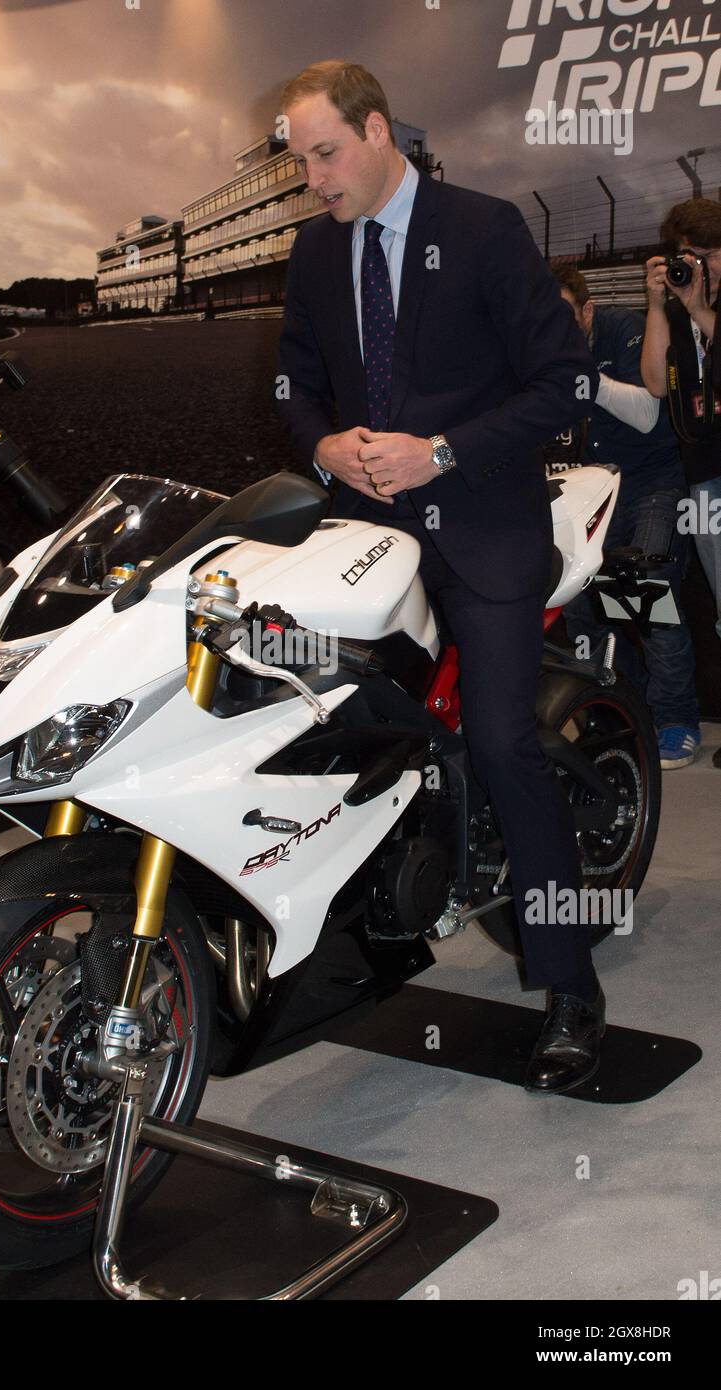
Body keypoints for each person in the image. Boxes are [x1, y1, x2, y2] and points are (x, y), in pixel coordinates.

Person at [275, 60, 604, 1094]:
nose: (314, 179)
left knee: (503, 739)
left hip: (482, 522)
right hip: (360, 528)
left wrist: (443, 453)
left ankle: (569, 986)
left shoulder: (485, 228)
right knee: (299, 711)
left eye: (326, 153)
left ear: (378, 131)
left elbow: (563, 384)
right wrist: (325, 446)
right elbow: (293, 381)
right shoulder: (312, 252)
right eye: (301, 161)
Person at [554, 266, 701, 769]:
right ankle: (617, 716)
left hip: (650, 483)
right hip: (588, 489)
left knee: (649, 592)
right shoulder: (541, 350)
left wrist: (584, 377)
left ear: (587, 311)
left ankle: (676, 720)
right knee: (582, 604)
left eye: (564, 317)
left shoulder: (627, 329)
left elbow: (648, 412)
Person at [641, 198, 721, 770]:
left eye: (713, 253)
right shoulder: (675, 301)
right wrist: (657, 304)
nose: (703, 266)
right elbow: (652, 382)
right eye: (692, 256)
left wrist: (700, 310)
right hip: (705, 473)